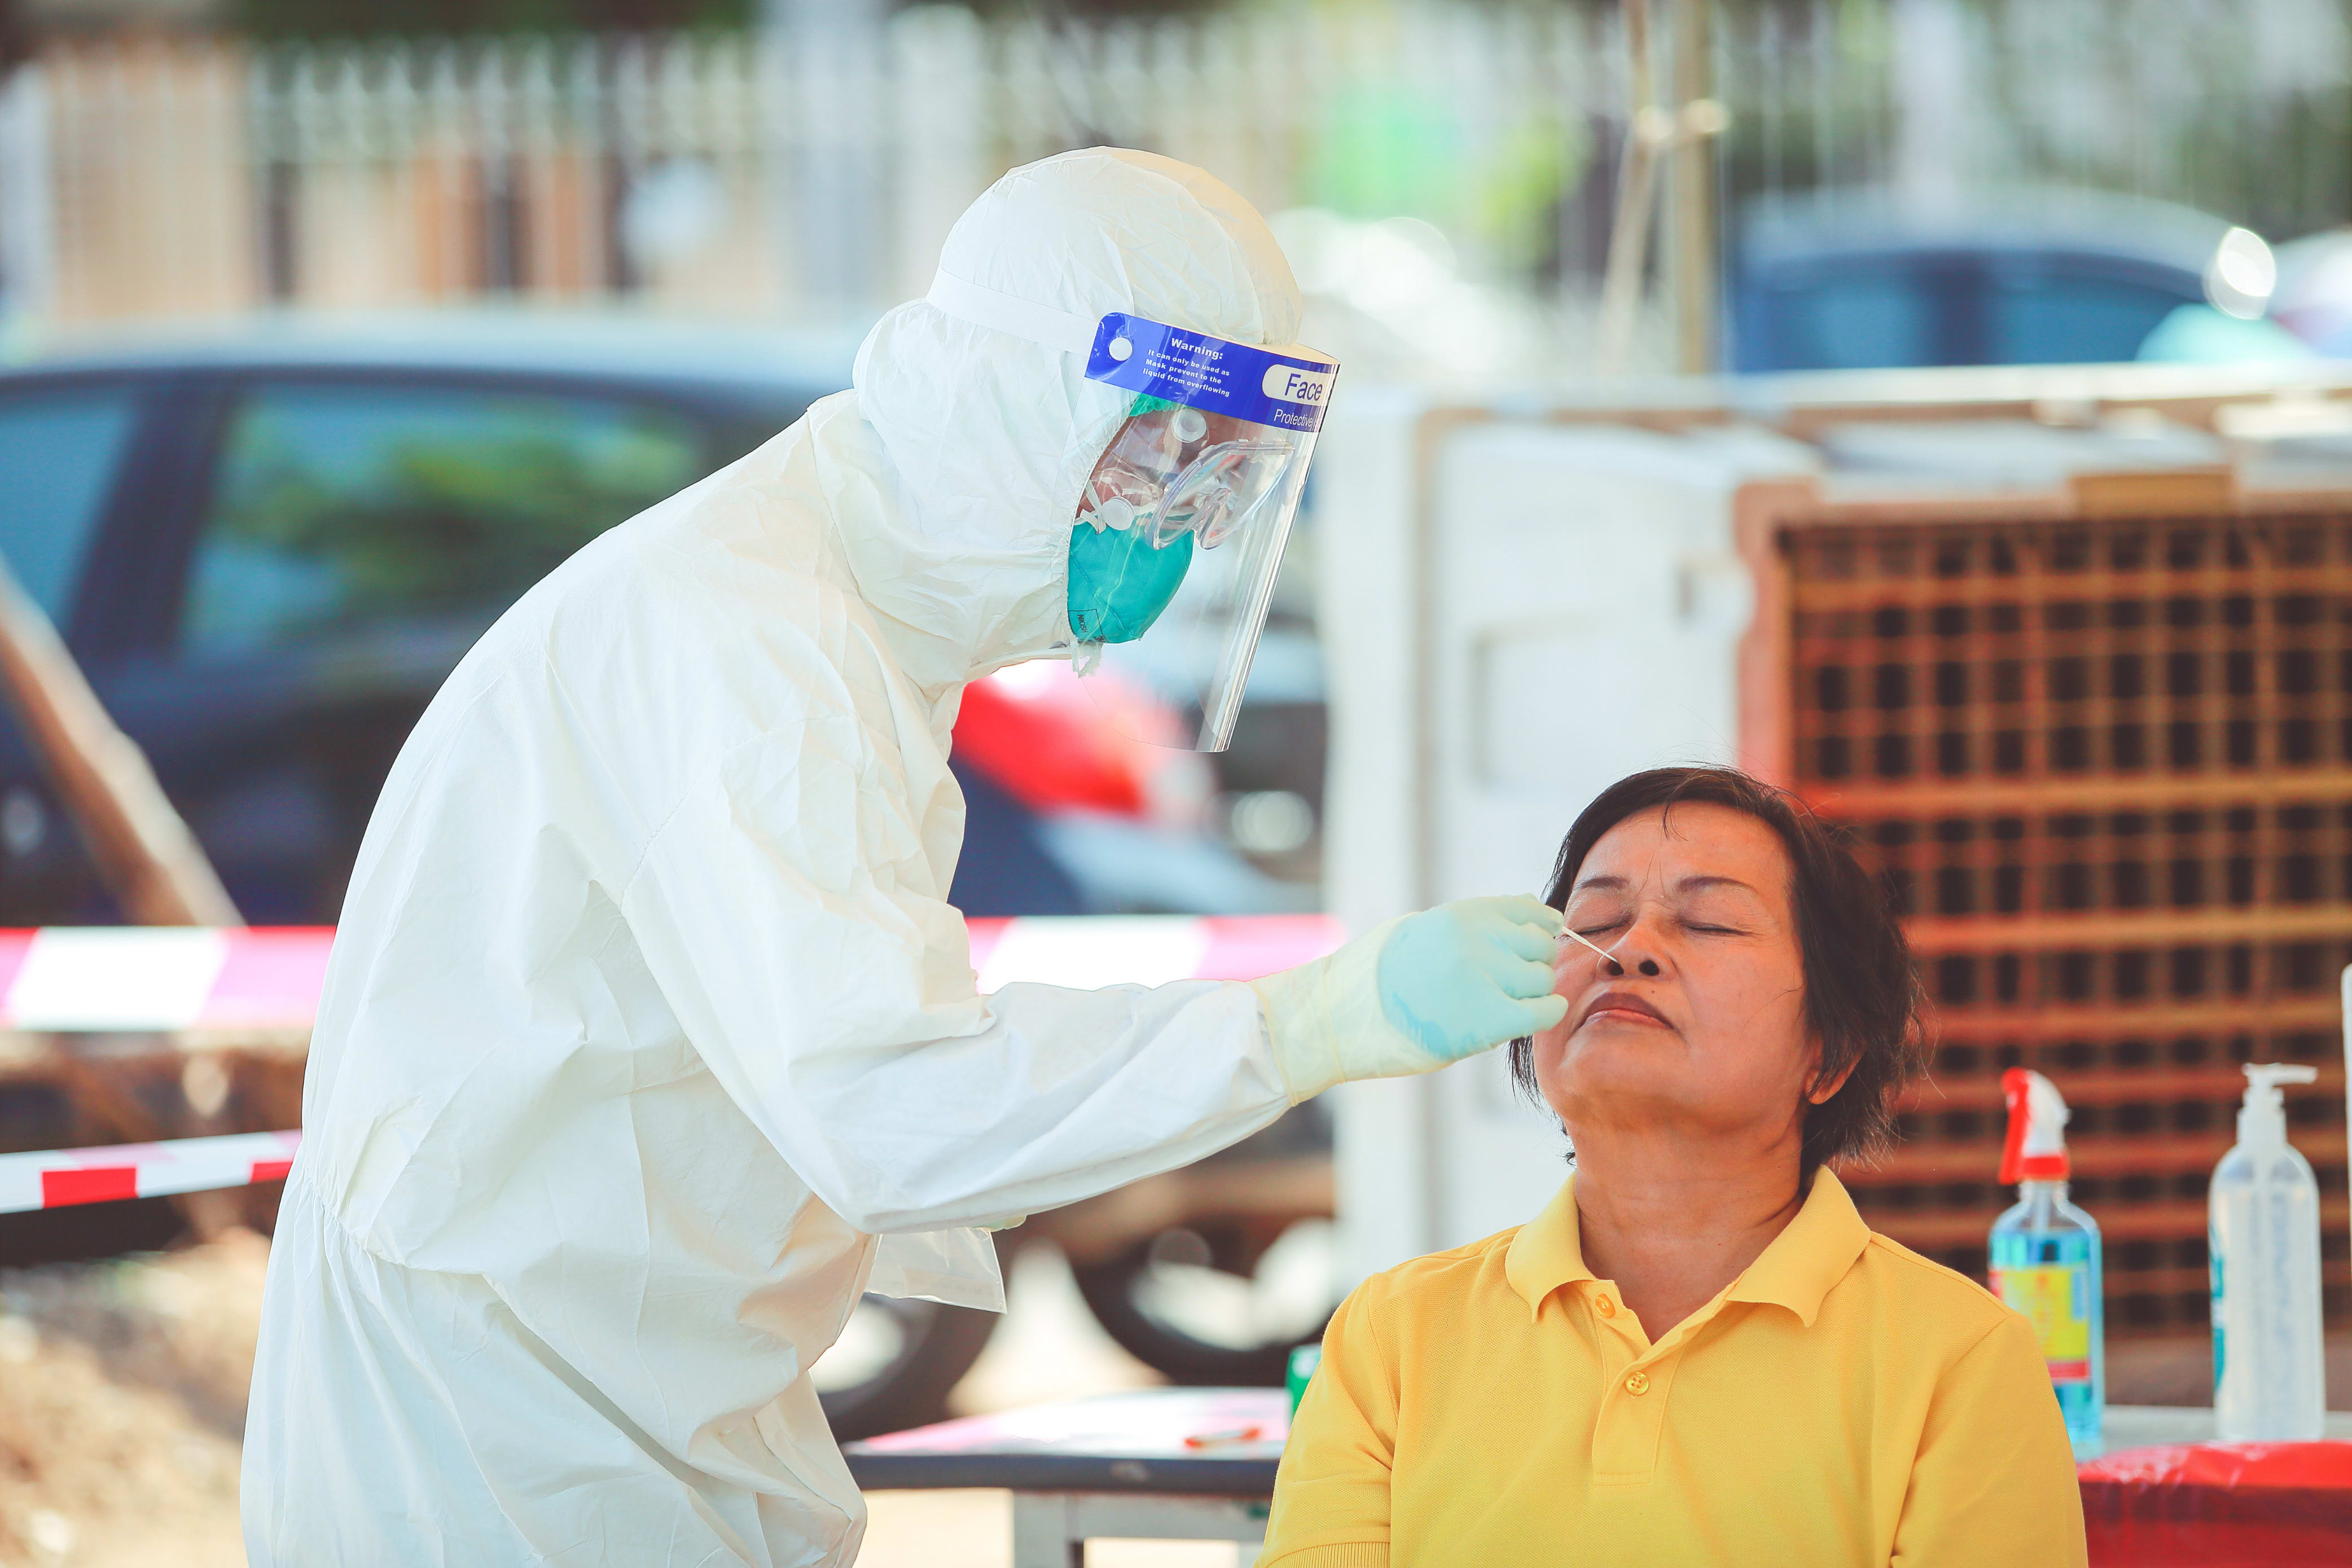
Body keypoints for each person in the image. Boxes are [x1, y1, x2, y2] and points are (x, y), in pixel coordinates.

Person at [239, 148, 1569, 1567]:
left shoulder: (851, 614)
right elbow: (889, 1103)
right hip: (496, 1431)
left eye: (1221, 466)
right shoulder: (753, 640)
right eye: (1155, 447)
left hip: (637, 1378)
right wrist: (1312, 1020)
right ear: (1005, 406)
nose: (1179, 512)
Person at [1259, 767, 2090, 1568]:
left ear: (1828, 1054)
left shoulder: (1961, 1362)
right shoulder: (1390, 1337)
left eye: (1711, 924)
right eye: (1596, 920)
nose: (1629, 951)